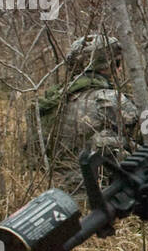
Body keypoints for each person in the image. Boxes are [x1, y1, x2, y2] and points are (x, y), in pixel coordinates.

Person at [27, 34, 140, 192]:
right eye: (117, 62)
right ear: (106, 66)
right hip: (100, 190)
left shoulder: (55, 97)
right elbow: (144, 139)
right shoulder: (109, 99)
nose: (120, 68)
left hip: (53, 187)